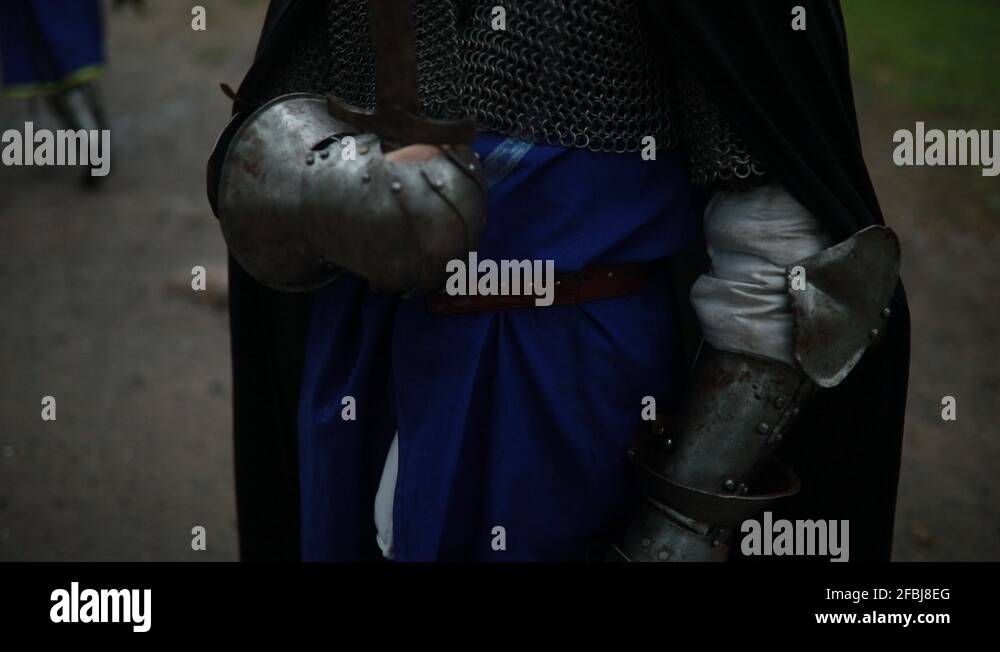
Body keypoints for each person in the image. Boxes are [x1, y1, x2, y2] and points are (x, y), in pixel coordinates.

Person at [208, 0, 910, 562]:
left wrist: (685, 517)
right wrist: (328, 183)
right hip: (365, 349)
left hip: (568, 373)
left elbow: (781, 240)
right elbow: (275, 123)